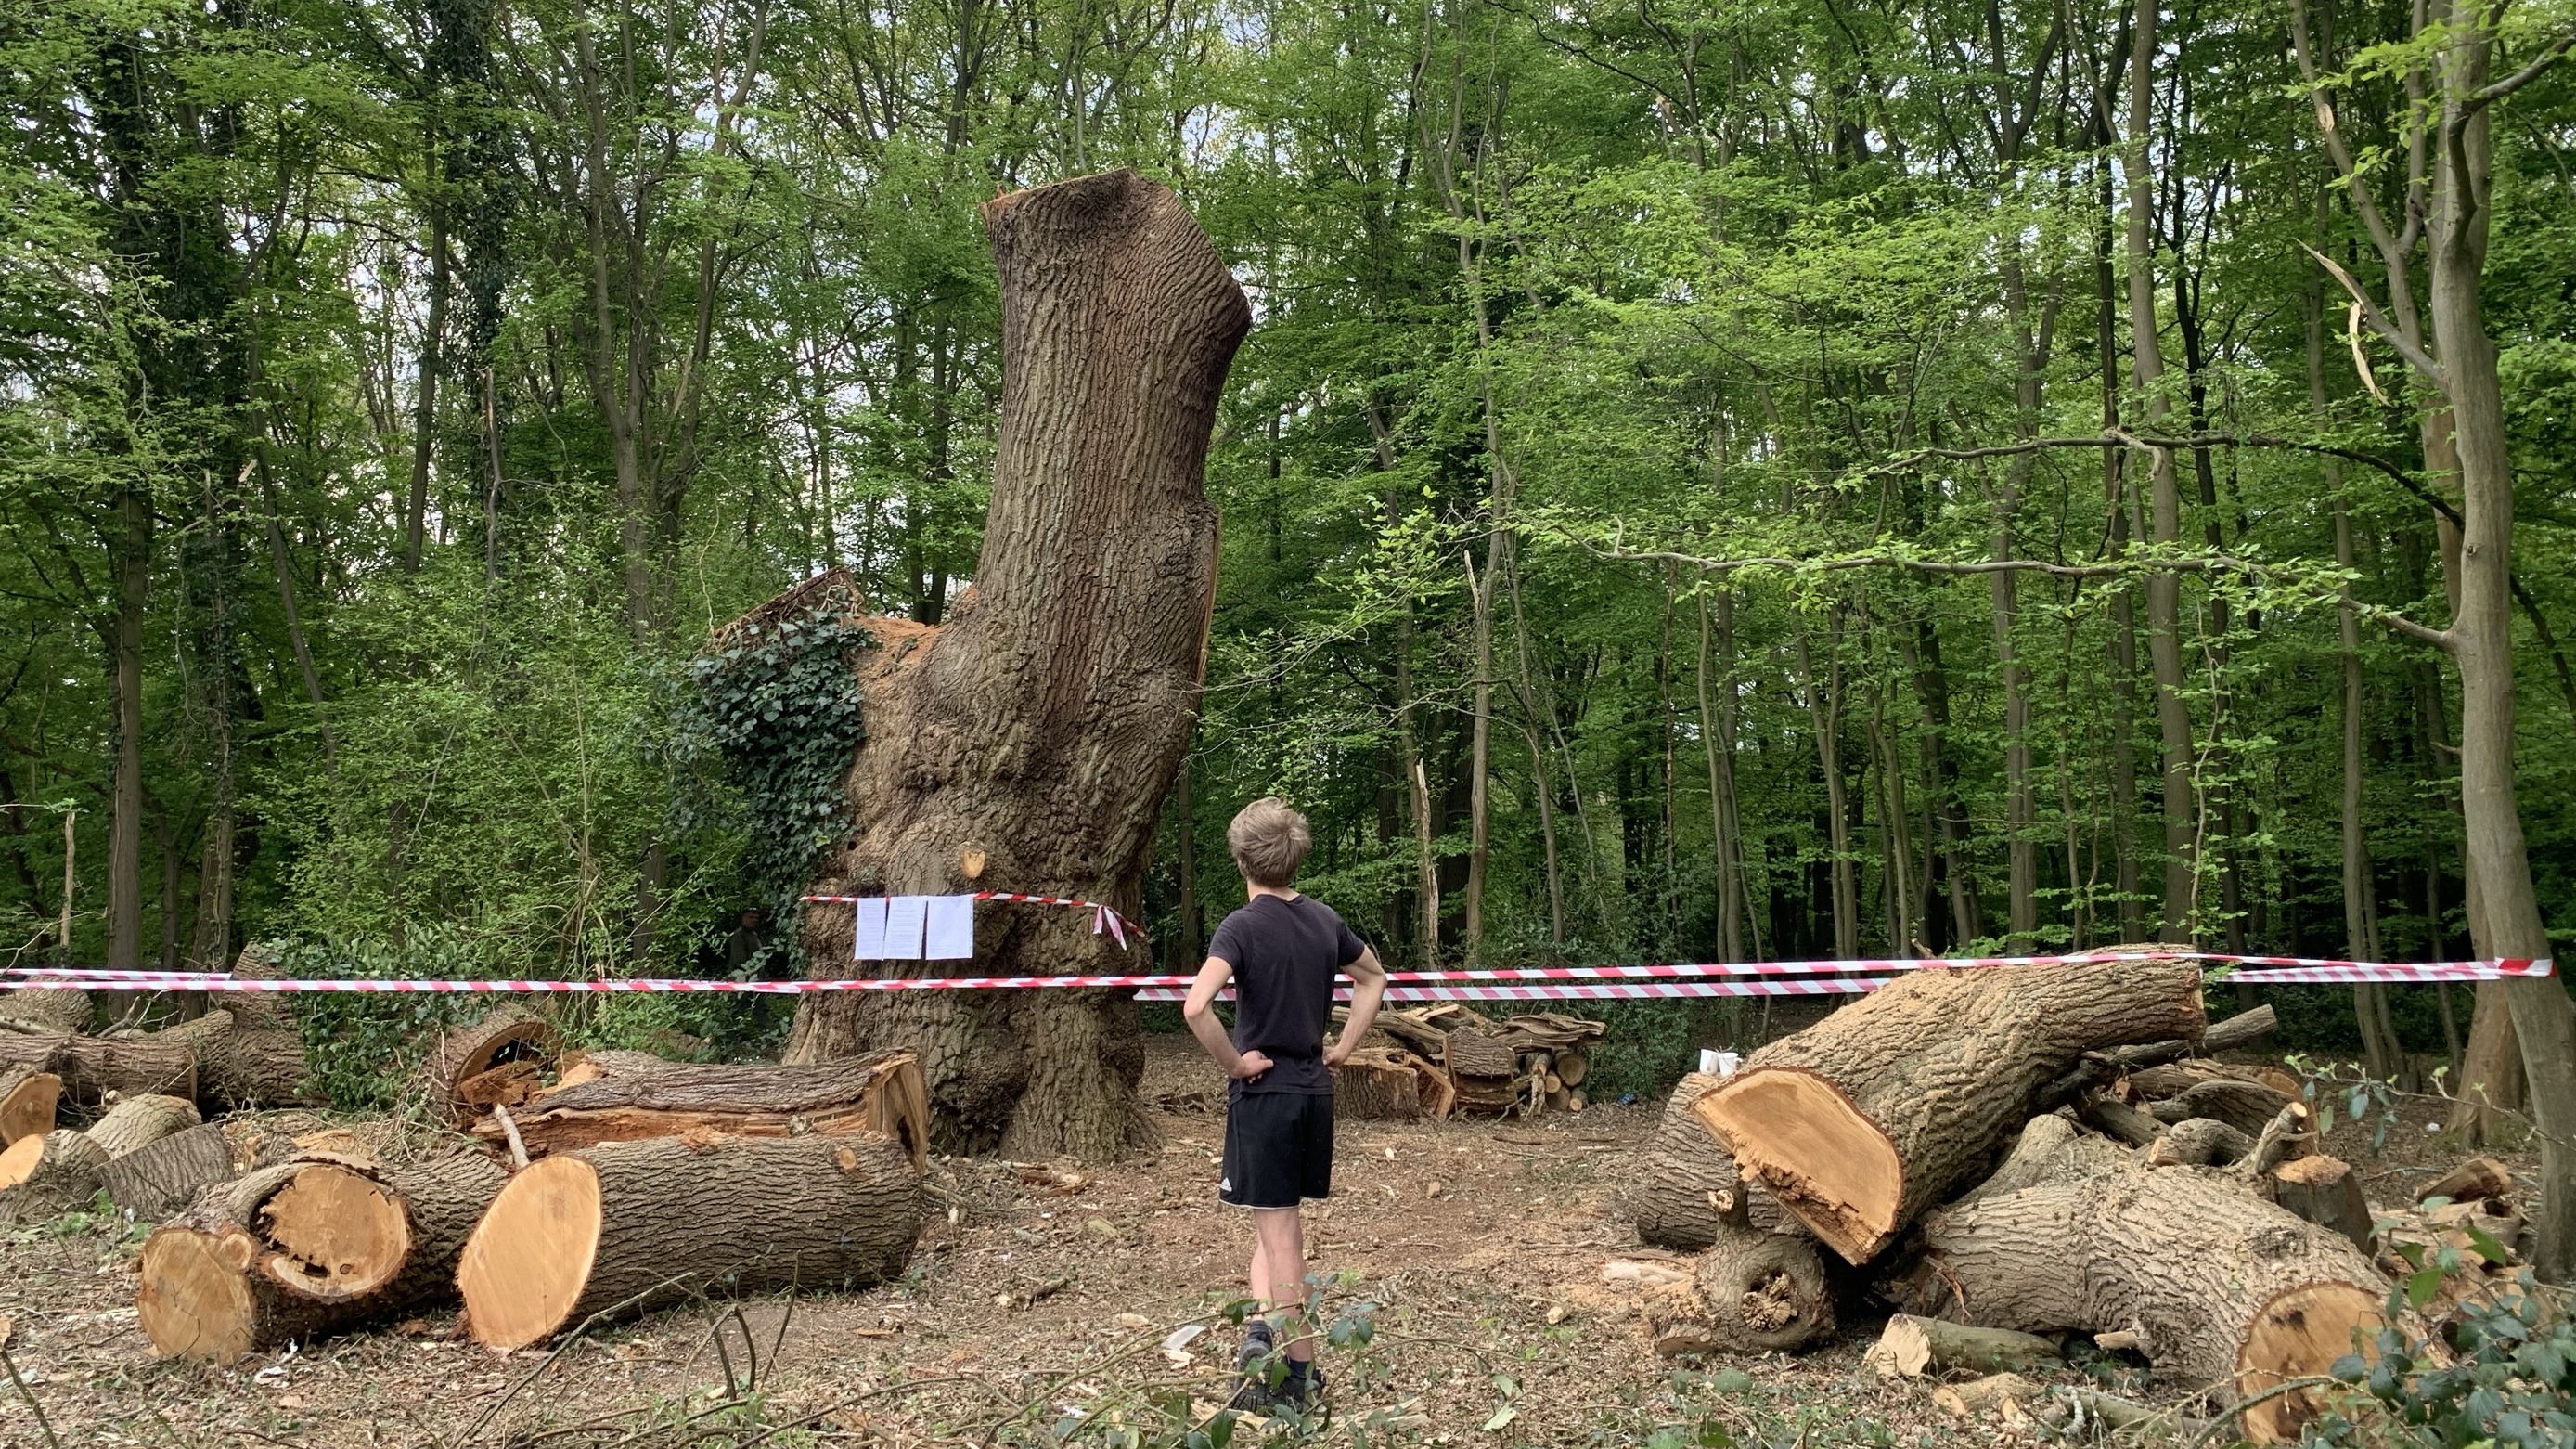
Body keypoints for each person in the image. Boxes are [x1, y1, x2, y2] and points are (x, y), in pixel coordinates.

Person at [1181, 796, 1387, 1416]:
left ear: (1242, 858)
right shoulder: (1324, 919)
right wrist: (1343, 1046)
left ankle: (1299, 1375)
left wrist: (1235, 1062)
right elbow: (1373, 977)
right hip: (1313, 1095)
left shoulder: (1240, 927)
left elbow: (1195, 1007)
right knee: (1272, 1222)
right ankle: (1263, 1333)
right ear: (1295, 858)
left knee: (1283, 1234)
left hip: (1266, 1094)